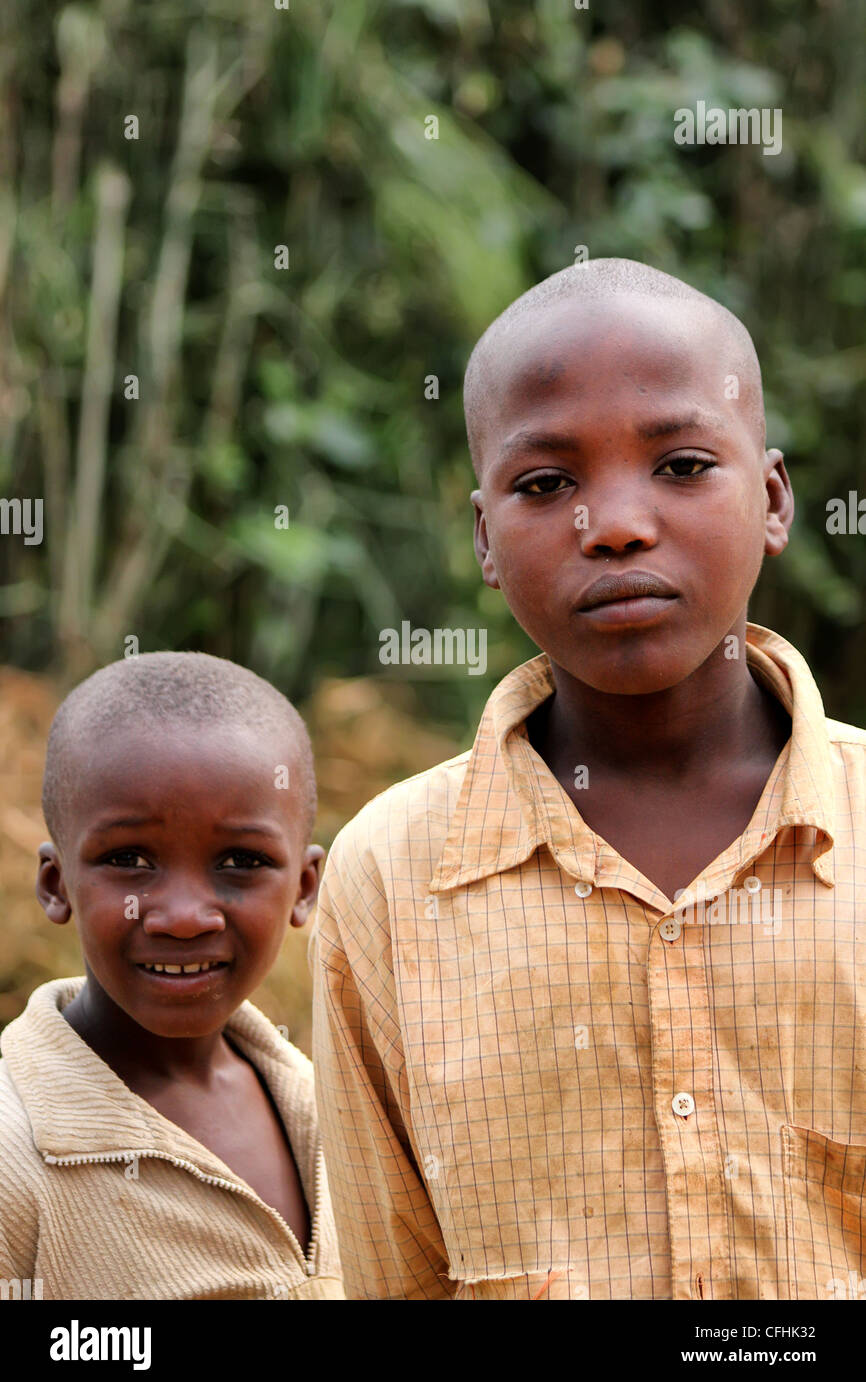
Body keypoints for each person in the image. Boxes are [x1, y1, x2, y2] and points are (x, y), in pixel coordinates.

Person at [311, 257, 866, 1300]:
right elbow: (393, 1278)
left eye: (682, 464)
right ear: (483, 535)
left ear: (773, 498)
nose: (609, 524)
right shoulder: (388, 876)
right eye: (545, 483)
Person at [0, 651, 344, 1299]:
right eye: (129, 858)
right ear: (55, 884)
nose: (184, 918)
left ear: (303, 888)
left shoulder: (336, 1110)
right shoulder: (14, 1157)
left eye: (241, 861)